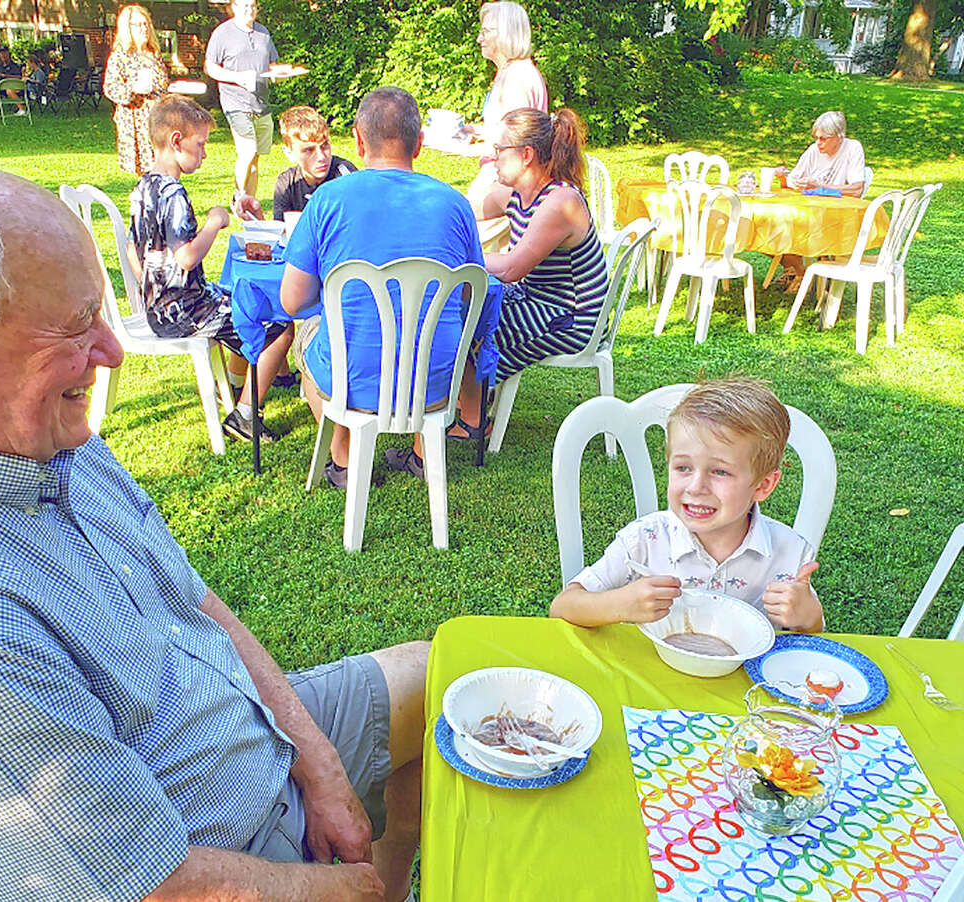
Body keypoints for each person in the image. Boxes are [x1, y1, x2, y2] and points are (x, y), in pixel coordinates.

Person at [0, 159, 427, 902]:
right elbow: (157, 889)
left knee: (434, 676)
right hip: (215, 859)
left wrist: (318, 763)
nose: (113, 350)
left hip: (244, 739)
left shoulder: (35, 437)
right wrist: (352, 892)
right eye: (75, 322)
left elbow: (193, 601)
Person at [280, 87, 484, 488]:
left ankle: (344, 459)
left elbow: (292, 301)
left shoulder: (327, 200)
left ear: (358, 140)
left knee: (309, 333)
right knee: (432, 325)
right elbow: (466, 294)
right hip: (436, 383)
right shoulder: (455, 204)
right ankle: (423, 454)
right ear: (419, 143)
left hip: (351, 381)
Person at [551, 378, 824, 633]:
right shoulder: (644, 540)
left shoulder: (790, 554)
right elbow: (563, 606)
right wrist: (619, 604)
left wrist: (808, 616)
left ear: (763, 485)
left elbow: (809, 637)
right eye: (683, 467)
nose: (695, 487)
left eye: (720, 472)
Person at [128, 96, 293, 443]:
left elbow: (133, 250)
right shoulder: (173, 194)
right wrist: (214, 222)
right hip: (184, 311)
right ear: (176, 141)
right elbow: (187, 258)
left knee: (244, 300)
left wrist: (151, 290)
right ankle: (244, 416)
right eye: (201, 144)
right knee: (278, 326)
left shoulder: (143, 187)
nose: (204, 153)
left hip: (162, 308)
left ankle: (231, 385)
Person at [449, 107, 607, 442]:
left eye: (498, 150)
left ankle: (473, 416)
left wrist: (456, 258)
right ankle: (470, 402)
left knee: (459, 321)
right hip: (536, 299)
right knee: (459, 309)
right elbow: (461, 211)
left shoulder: (561, 202)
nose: (491, 159)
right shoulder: (518, 195)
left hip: (571, 317)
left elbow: (511, 268)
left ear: (526, 155)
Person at [467, 2, 548, 250]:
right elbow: (510, 130)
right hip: (508, 180)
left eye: (485, 31)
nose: (479, 38)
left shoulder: (516, 79)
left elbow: (516, 145)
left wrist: (464, 148)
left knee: (463, 242)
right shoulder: (512, 73)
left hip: (505, 182)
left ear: (505, 33)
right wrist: (479, 132)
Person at [775, 110, 868, 290]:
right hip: (806, 210)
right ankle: (798, 270)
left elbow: (857, 190)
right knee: (772, 224)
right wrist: (783, 178)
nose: (818, 143)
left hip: (834, 217)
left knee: (792, 226)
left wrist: (819, 187)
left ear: (839, 137)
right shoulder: (813, 150)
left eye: (824, 139)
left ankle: (807, 273)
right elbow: (791, 182)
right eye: (816, 138)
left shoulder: (852, 148)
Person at [204, 0, 280, 199]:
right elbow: (210, 67)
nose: (250, 10)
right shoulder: (222, 33)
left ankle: (250, 202)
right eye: (245, 6)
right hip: (235, 102)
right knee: (247, 152)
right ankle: (238, 197)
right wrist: (236, 77)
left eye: (253, 6)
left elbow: (271, 65)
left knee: (255, 158)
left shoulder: (263, 33)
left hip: (261, 104)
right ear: (235, 7)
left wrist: (279, 73)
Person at [232, 105, 357, 222]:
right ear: (289, 153)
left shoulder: (345, 175)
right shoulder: (287, 183)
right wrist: (258, 219)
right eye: (309, 150)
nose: (321, 157)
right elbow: (282, 233)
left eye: (324, 146)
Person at [104, 3, 171, 175]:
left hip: (159, 118)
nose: (144, 28)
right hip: (135, 121)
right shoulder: (120, 56)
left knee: (164, 167)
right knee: (146, 171)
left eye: (146, 23)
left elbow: (162, 84)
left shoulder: (154, 54)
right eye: (139, 24)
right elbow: (110, 88)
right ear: (127, 28)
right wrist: (132, 89)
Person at [0, 45, 26, 116]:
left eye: (5, 53)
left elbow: (19, 77)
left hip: (13, 87)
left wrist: (5, 76)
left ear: (9, 54)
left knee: (8, 90)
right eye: (1, 54)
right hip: (0, 88)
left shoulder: (15, 66)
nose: (3, 55)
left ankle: (22, 108)